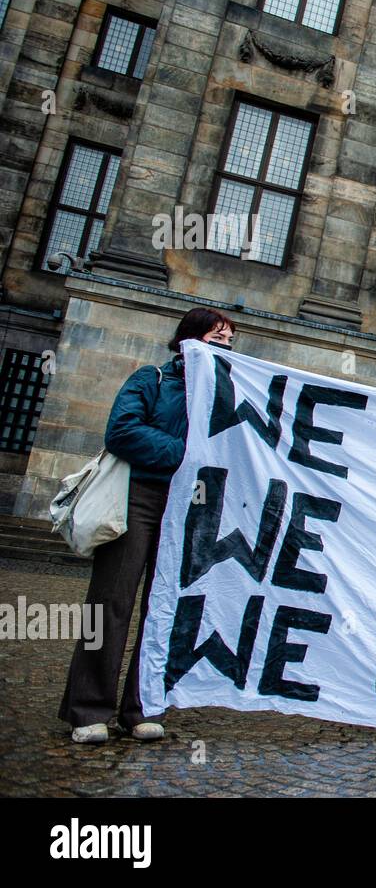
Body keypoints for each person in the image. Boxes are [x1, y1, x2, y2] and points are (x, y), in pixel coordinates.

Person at [59, 307, 236, 743]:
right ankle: (87, 709)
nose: (226, 346)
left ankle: (140, 709)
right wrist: (184, 451)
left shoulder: (226, 394)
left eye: (230, 340)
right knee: (111, 602)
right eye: (218, 337)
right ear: (188, 341)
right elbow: (121, 432)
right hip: (137, 498)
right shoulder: (151, 379)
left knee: (164, 610)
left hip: (188, 508)